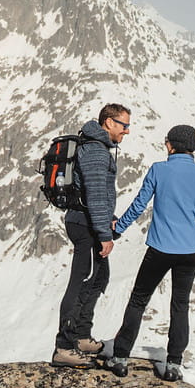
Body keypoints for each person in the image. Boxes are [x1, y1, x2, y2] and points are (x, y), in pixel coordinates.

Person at [105, 124, 195, 382]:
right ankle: (173, 364)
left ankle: (120, 357)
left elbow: (139, 204)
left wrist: (118, 228)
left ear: (170, 145)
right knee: (180, 306)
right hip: (190, 251)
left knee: (139, 300)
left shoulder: (159, 170)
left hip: (161, 248)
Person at [52, 102, 130, 367]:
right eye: (124, 125)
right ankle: (64, 346)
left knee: (99, 276)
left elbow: (96, 196)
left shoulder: (96, 148)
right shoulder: (96, 152)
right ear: (109, 122)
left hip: (88, 221)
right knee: (82, 279)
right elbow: (96, 196)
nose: (127, 131)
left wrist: (108, 219)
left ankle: (82, 335)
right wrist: (103, 234)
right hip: (85, 224)